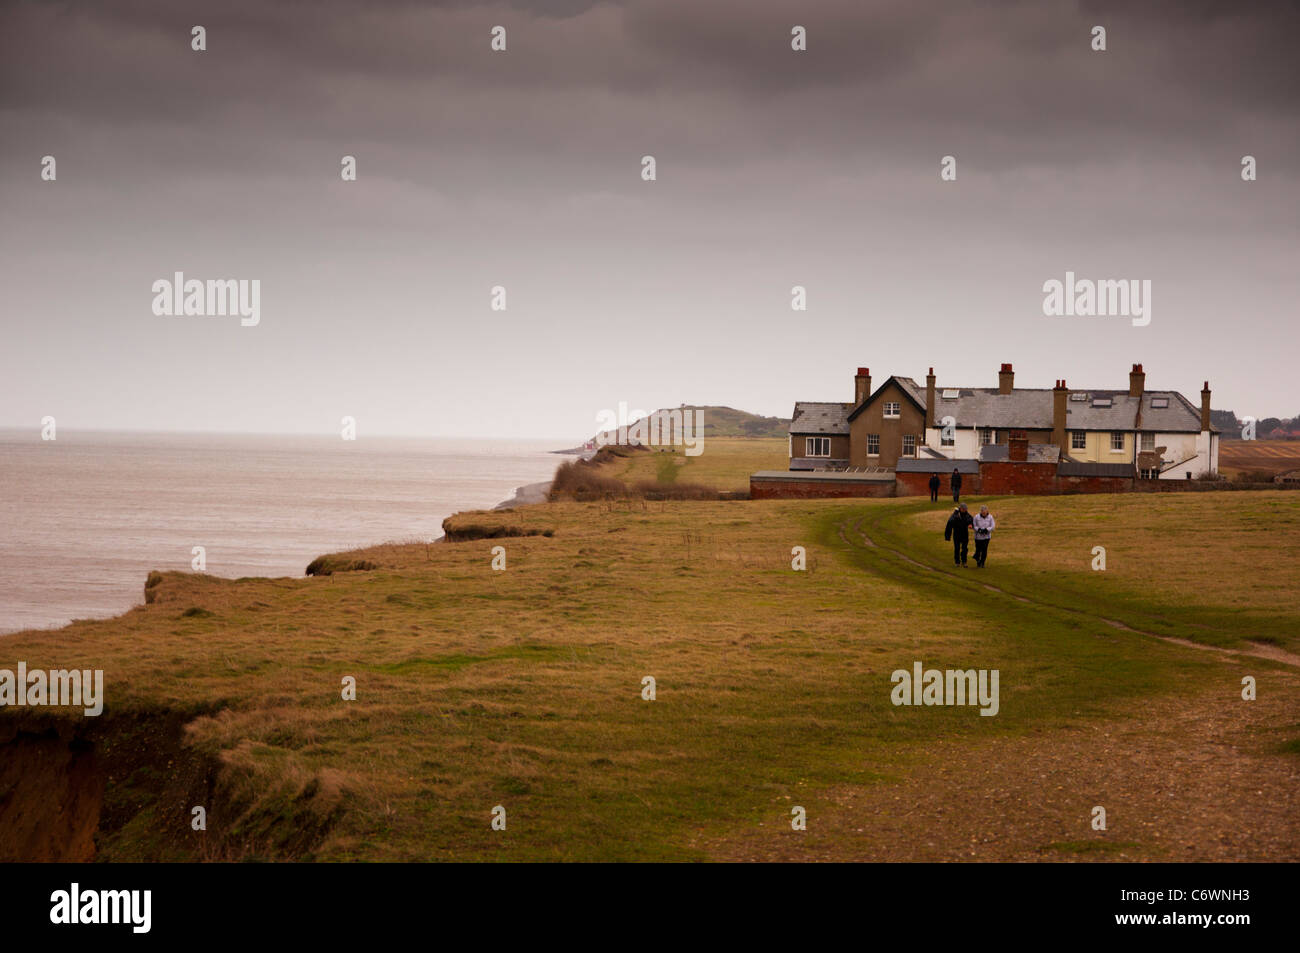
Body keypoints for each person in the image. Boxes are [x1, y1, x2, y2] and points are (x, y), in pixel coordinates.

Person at [944, 502, 973, 567]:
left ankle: (964, 562)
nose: (965, 510)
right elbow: (949, 524)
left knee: (965, 549)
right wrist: (947, 536)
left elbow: (971, 519)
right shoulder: (955, 515)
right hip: (956, 535)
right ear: (960, 508)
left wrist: (971, 524)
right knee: (957, 548)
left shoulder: (967, 514)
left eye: (966, 509)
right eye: (964, 509)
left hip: (965, 534)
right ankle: (957, 562)